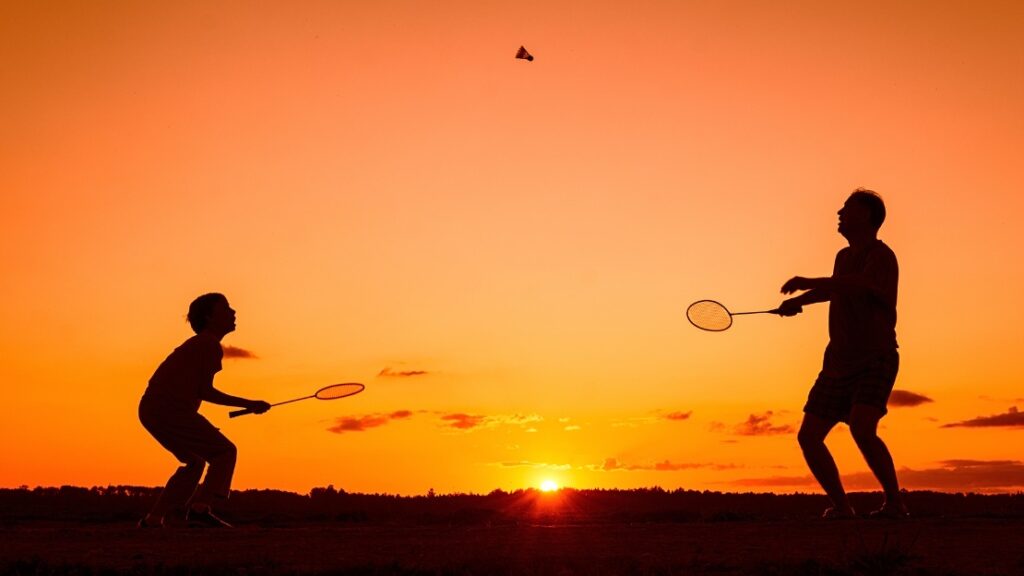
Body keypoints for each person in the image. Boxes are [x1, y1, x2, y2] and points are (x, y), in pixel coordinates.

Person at [778, 189, 908, 519]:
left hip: (875, 357)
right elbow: (837, 286)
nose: (839, 212)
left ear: (867, 216)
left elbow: (856, 285)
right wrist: (799, 301)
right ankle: (842, 508)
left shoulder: (882, 256)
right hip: (837, 362)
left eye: (847, 208)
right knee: (809, 437)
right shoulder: (843, 256)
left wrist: (808, 282)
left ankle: (894, 505)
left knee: (863, 428)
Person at [138, 293, 271, 528]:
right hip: (169, 410)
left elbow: (198, 389)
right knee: (224, 452)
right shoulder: (208, 344)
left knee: (195, 462)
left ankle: (154, 519)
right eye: (226, 308)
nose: (233, 312)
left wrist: (248, 404)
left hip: (152, 410)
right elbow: (204, 391)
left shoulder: (202, 345)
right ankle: (199, 511)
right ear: (210, 317)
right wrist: (248, 403)